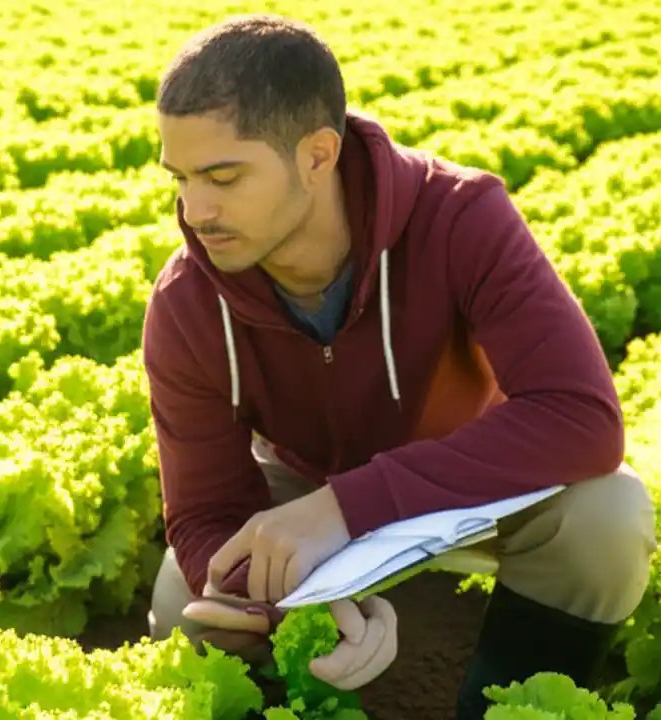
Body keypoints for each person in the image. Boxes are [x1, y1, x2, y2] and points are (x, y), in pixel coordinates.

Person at [140, 13, 656, 719]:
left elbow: (583, 416)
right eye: (181, 177)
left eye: (223, 177)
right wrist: (292, 609)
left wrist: (347, 507)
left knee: (608, 517)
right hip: (305, 478)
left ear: (317, 155)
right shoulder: (186, 302)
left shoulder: (460, 217)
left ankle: (517, 699)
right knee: (186, 607)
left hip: (467, 477)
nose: (194, 211)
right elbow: (203, 514)